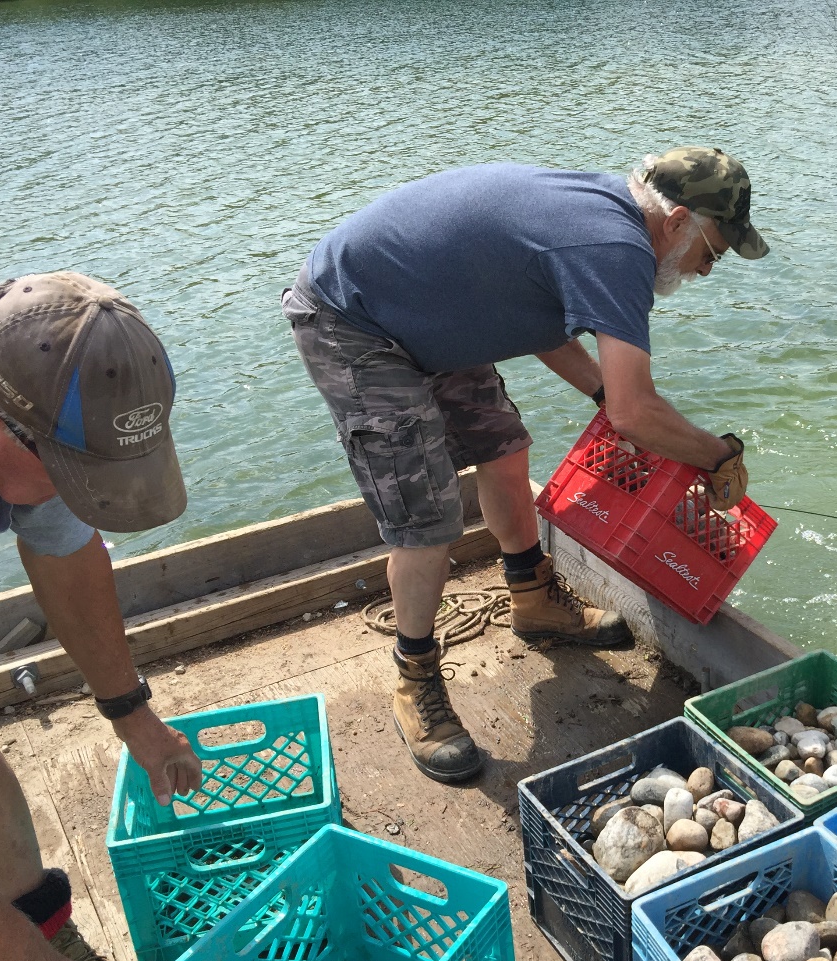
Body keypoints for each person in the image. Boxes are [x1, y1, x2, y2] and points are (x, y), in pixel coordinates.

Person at [283, 146, 766, 784]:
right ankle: (415, 679)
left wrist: (603, 394)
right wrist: (718, 454)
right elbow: (635, 412)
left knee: (504, 448)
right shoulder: (617, 248)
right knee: (426, 520)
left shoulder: (605, 217)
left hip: (430, 312)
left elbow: (539, 323)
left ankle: (533, 600)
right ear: (677, 221)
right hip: (354, 320)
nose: (705, 270)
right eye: (712, 252)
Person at [0, 270, 202, 961]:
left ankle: (43, 931)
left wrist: (131, 712)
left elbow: (64, 549)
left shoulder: (32, 373)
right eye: (78, 476)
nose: (91, 498)